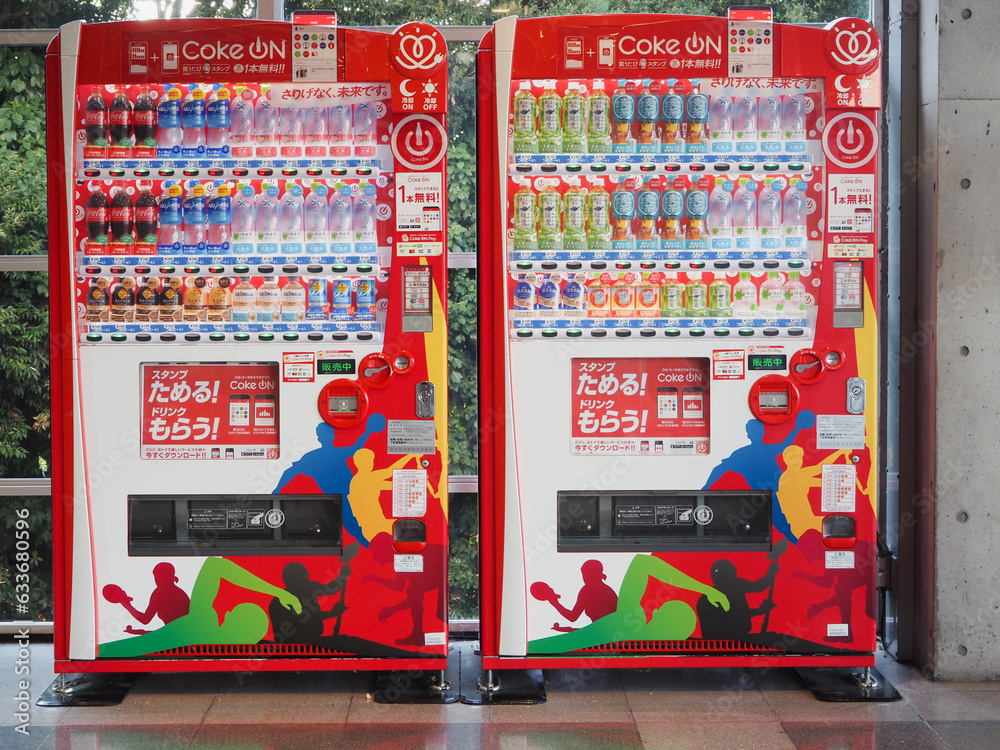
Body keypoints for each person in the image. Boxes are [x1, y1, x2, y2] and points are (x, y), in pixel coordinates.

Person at [99, 557, 301, 658]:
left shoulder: (204, 619)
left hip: (143, 641)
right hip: (163, 637)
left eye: (234, 611)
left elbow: (214, 565)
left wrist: (278, 592)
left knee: (109, 650)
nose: (229, 611)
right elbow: (170, 631)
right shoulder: (207, 634)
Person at [527, 554, 729, 654]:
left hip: (588, 635)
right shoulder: (638, 640)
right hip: (593, 636)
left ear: (657, 614)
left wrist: (706, 589)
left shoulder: (631, 617)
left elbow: (643, 562)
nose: (657, 607)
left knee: (537, 647)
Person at [696, 559, 778, 640]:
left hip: (736, 639)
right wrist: (759, 611)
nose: (736, 578)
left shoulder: (736, 586)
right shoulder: (708, 600)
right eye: (733, 576)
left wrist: (771, 573)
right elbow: (734, 615)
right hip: (724, 643)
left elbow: (759, 586)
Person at [105, 562, 190, 635]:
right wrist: (141, 632)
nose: (156, 580)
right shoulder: (176, 592)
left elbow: (145, 619)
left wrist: (127, 605)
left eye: (158, 577)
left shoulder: (160, 593)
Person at [532, 560, 619, 630]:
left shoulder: (589, 591)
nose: (585, 578)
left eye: (587, 575)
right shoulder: (589, 590)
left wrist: (555, 603)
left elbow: (573, 617)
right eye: (584, 575)